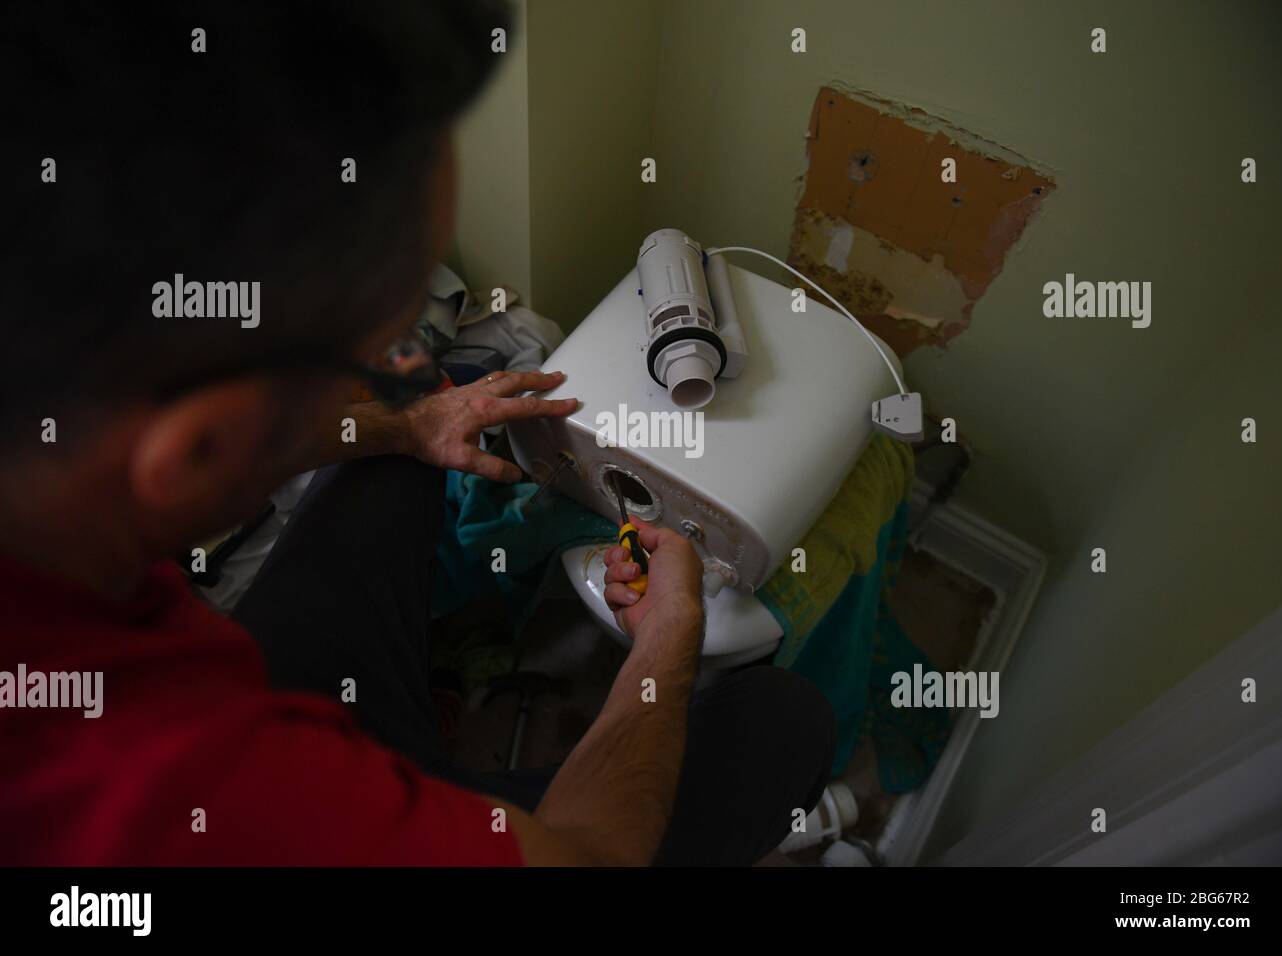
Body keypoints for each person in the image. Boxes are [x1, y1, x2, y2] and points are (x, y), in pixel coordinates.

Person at [0, 0, 834, 866]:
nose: (400, 361)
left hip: (258, 690)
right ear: (192, 448)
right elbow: (590, 858)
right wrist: (666, 642)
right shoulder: (199, 799)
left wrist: (410, 424)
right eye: (370, 353)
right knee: (783, 722)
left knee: (401, 449)